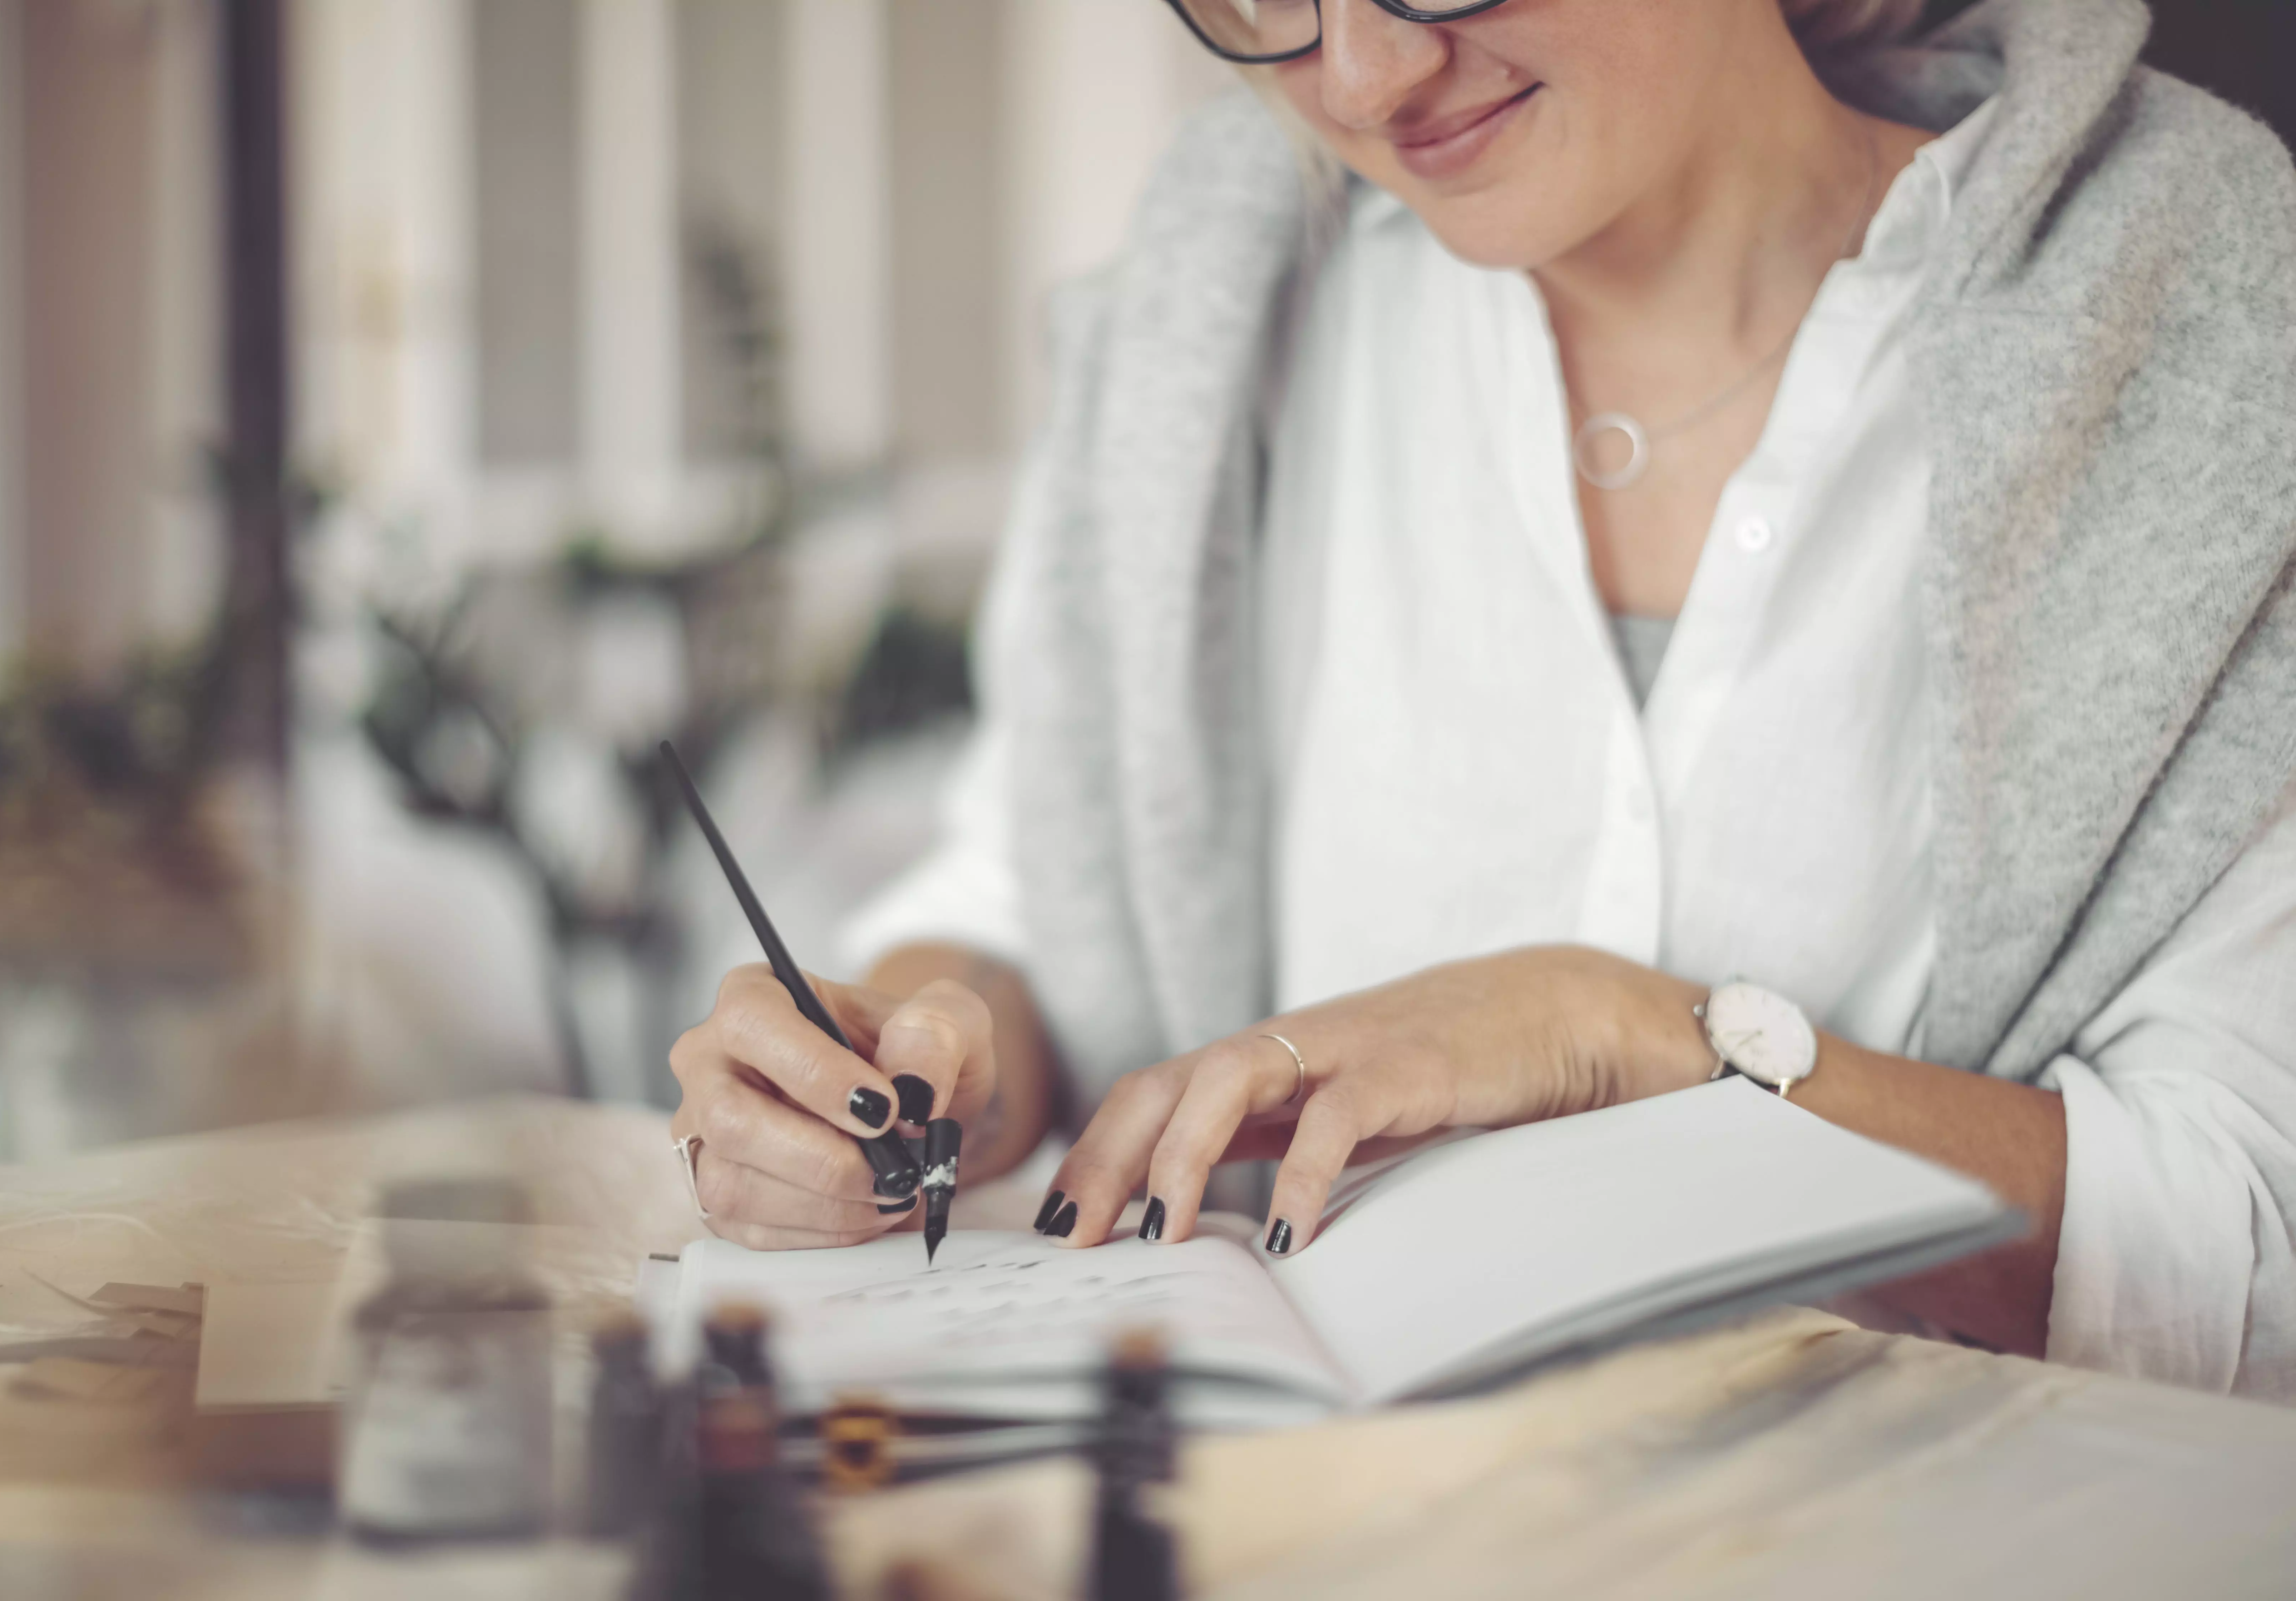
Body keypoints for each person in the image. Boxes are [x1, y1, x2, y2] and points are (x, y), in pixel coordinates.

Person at [667, 0, 2296, 1398]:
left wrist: (1642, 1041)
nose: (1364, 78)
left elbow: (2255, 1256)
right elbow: (1034, 889)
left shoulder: (2204, 331)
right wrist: (909, 1044)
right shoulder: (1215, 314)